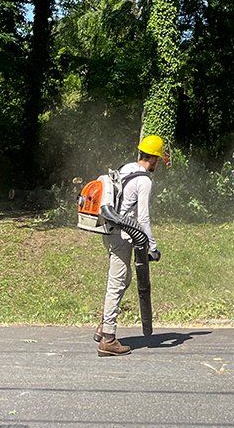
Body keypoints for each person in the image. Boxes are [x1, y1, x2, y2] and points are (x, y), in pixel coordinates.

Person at [96, 134, 165, 357]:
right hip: (122, 235)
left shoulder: (126, 168)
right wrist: (152, 247)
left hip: (109, 231)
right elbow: (143, 218)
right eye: (158, 159)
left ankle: (103, 325)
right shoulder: (144, 180)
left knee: (123, 279)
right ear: (154, 158)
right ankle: (108, 339)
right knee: (117, 282)